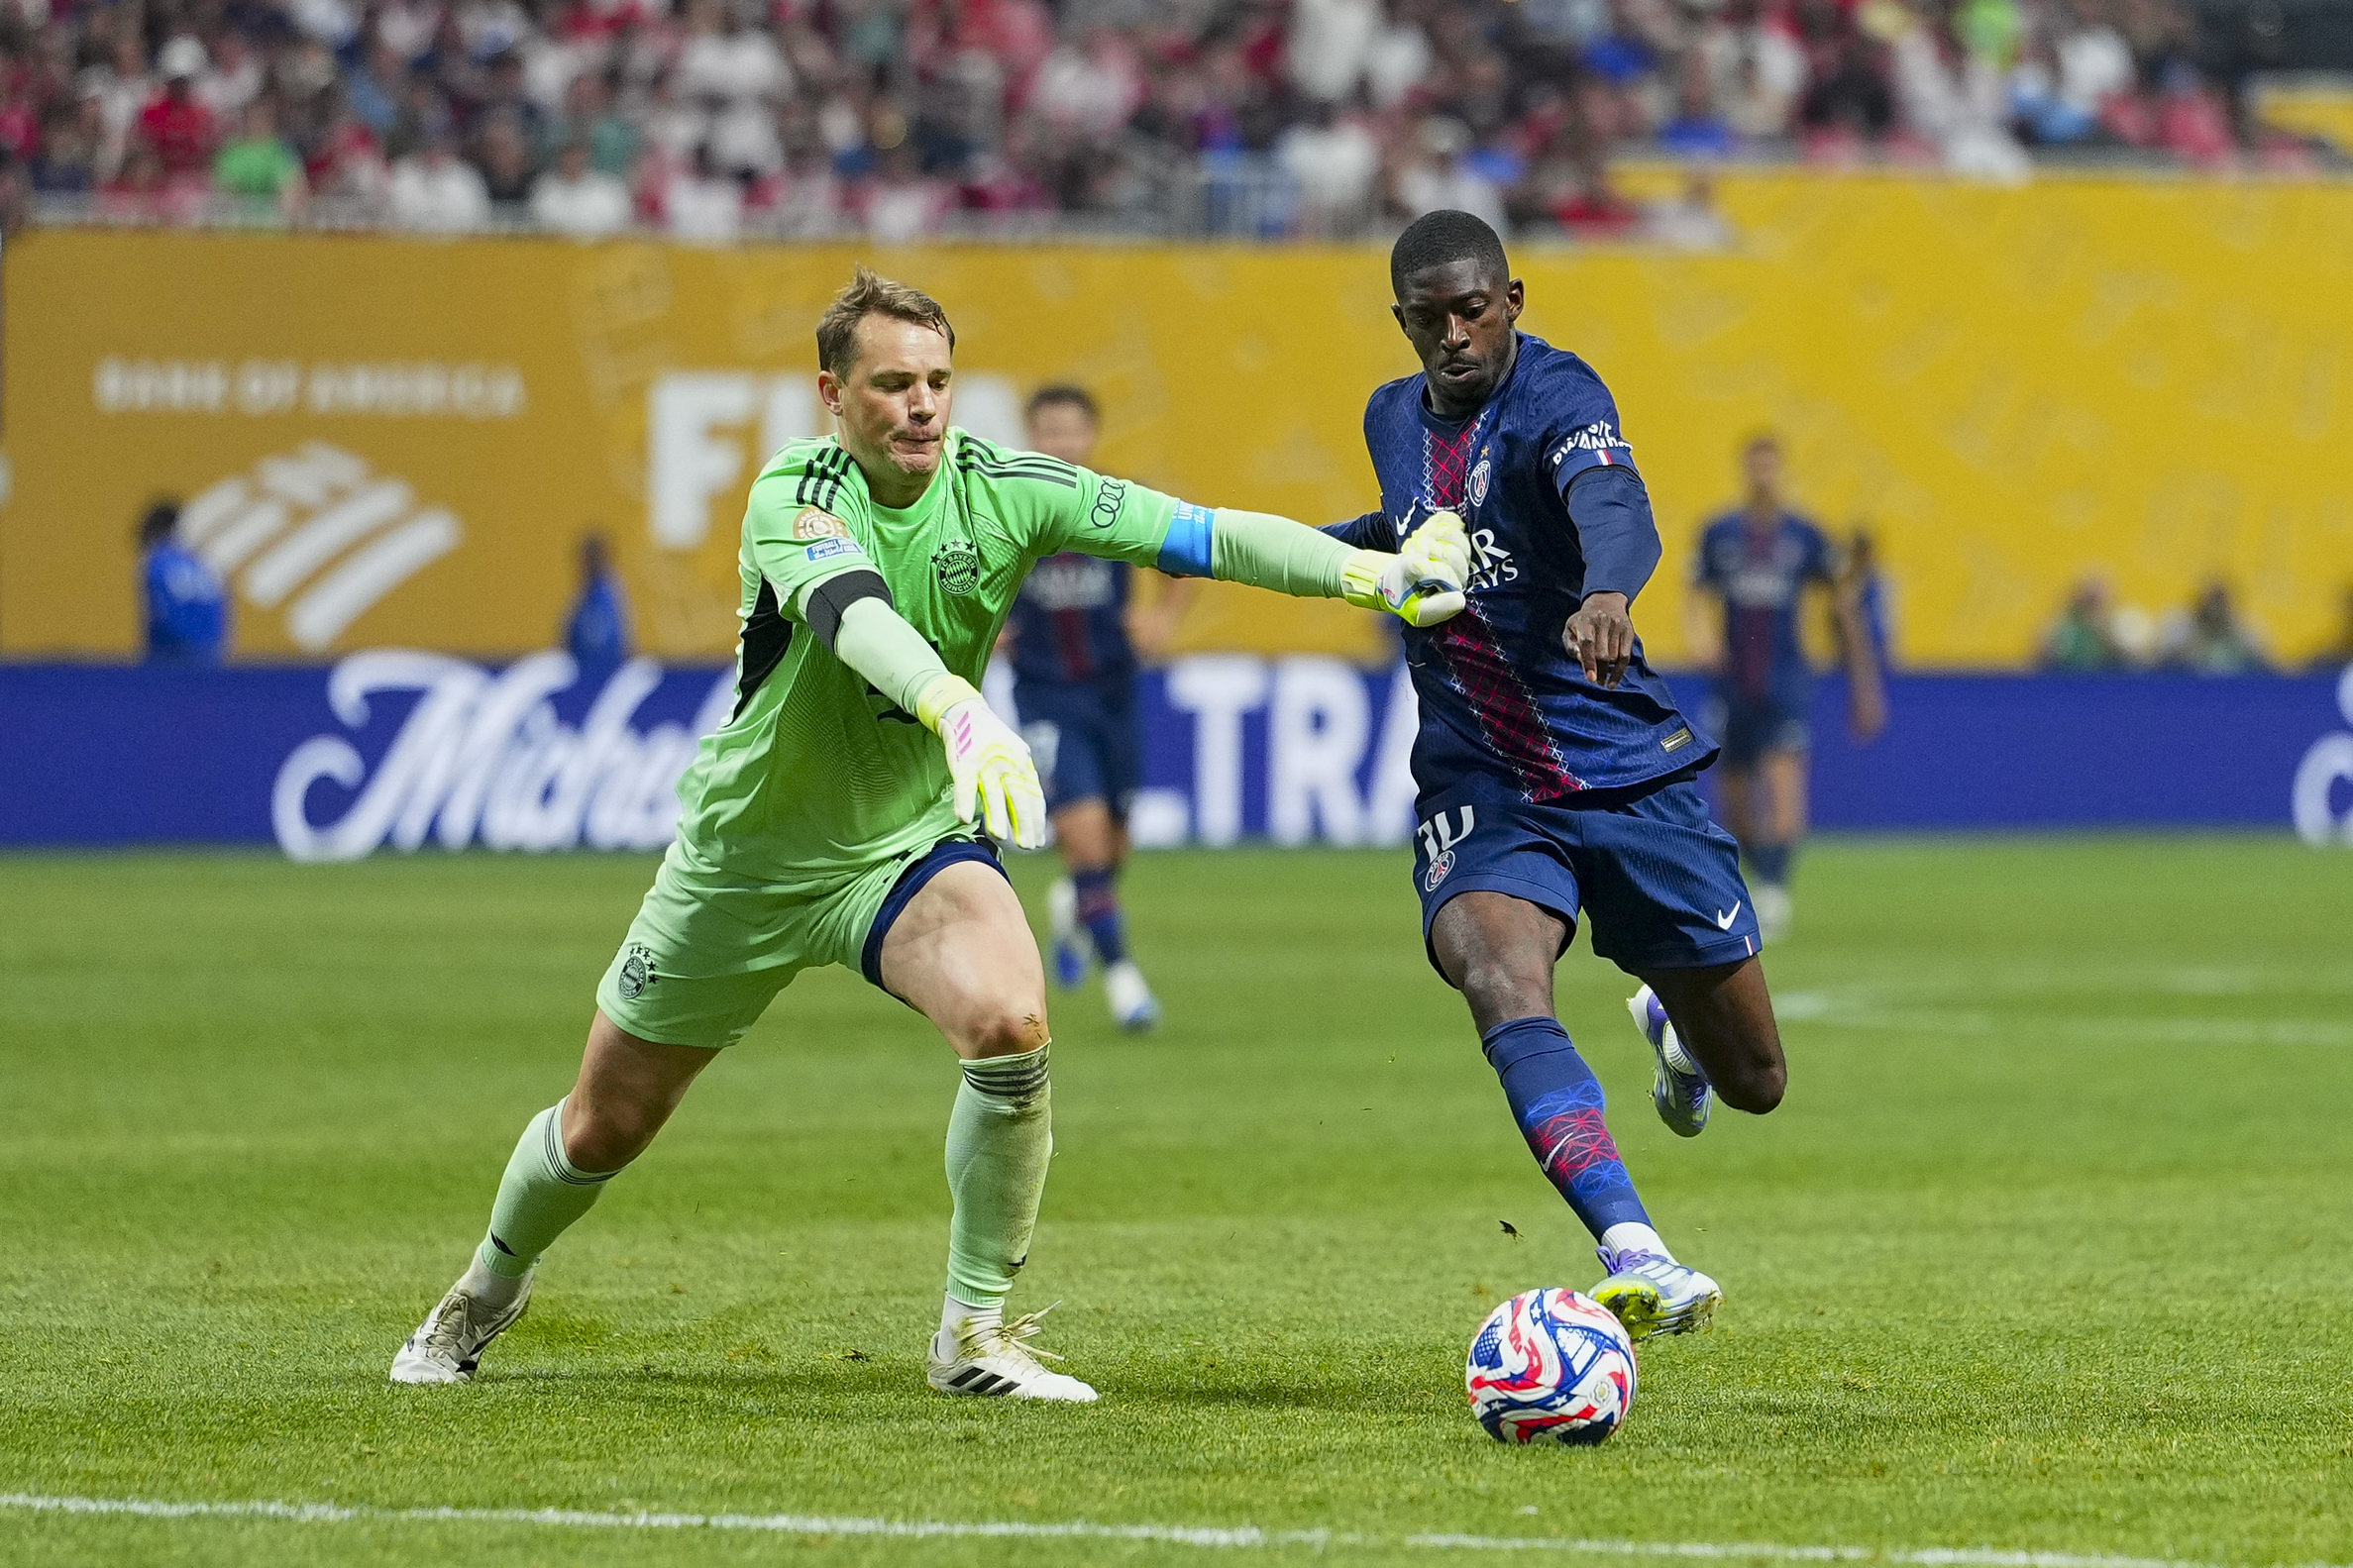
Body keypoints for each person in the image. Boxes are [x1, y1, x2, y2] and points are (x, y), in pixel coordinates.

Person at [389, 266, 1471, 1401]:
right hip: (746, 860)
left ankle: (972, 1332)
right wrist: (960, 708)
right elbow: (854, 615)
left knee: (1009, 1021)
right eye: (893, 383)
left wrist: (1370, 572)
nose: (920, 405)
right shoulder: (792, 495)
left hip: (904, 843)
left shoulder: (1003, 487)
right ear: (832, 393)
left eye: (938, 382)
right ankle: (484, 1288)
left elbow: (1193, 533)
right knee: (604, 1124)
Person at [1323, 209, 1787, 1343]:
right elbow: (1391, 529)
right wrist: (1285, 553)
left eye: (1471, 308)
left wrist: (1605, 594)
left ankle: (1676, 1031)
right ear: (1399, 321)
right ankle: (1633, 1245)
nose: (1452, 333)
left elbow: (1613, 509)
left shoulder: (1561, 397)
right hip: (1479, 778)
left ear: (1512, 301)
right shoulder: (1392, 418)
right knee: (1497, 973)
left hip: (1621, 770)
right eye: (1427, 316)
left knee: (1755, 1079)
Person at [1002, 386, 1197, 1031]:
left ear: (1090, 436)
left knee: (1112, 847)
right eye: (1048, 430)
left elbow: (1185, 558)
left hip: (1114, 691)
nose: (1060, 442)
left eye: (1071, 430)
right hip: (1045, 696)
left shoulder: (1118, 505)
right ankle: (1124, 983)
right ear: (1031, 434)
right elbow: (958, 579)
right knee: (1083, 840)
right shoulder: (1008, 512)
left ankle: (1073, 907)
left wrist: (1161, 619)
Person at [1686, 434, 1885, 942]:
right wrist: (1701, 640)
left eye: (1770, 466)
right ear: (1744, 471)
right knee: (1731, 801)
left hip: (1787, 676)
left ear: (1781, 471)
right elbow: (1695, 595)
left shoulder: (1805, 536)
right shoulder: (1720, 533)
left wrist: (1865, 687)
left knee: (1782, 782)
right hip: (1732, 680)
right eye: (1755, 466)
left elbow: (1842, 604)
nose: (1763, 476)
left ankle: (1775, 887)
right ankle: (1760, 874)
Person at [138, 498, 229, 664]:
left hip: (170, 663)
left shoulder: (156, 562)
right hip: (211, 662)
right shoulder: (204, 565)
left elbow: (157, 615)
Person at [2162, 579, 2269, 675]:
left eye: (2220, 601)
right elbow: (2162, 660)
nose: (2215, 608)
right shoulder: (2182, 626)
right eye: (2211, 600)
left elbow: (2265, 662)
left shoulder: (2245, 628)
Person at [564, 533, 632, 670]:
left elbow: (626, 640)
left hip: (609, 669)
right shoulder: (579, 598)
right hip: (580, 670)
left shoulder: (614, 596)